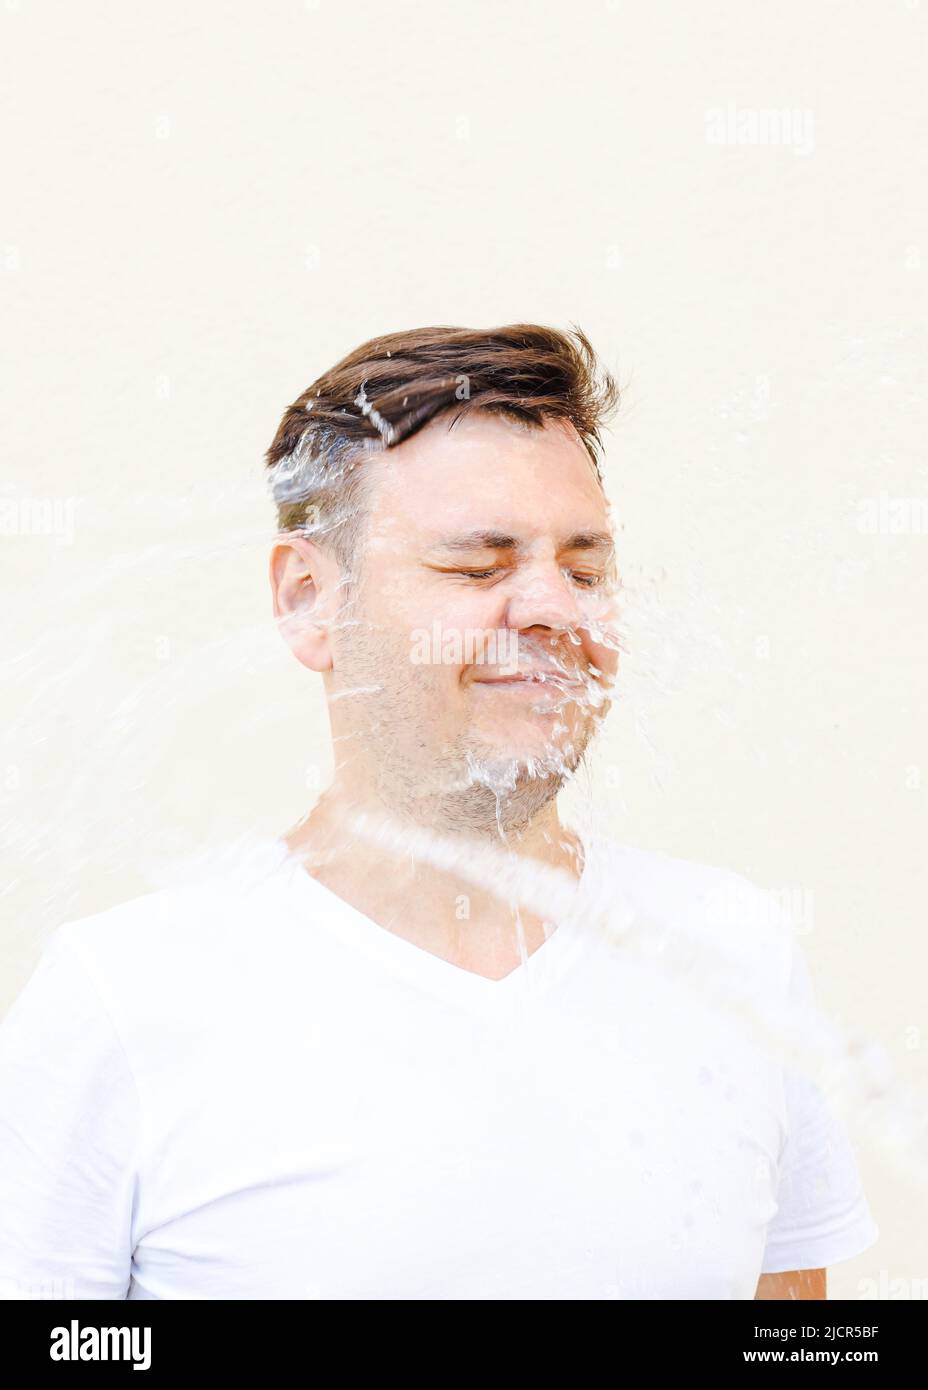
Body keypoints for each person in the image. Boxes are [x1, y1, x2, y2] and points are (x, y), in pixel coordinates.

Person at [0, 324, 878, 1300]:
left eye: (585, 569)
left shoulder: (735, 950)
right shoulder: (123, 997)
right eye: (478, 566)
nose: (556, 609)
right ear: (307, 601)